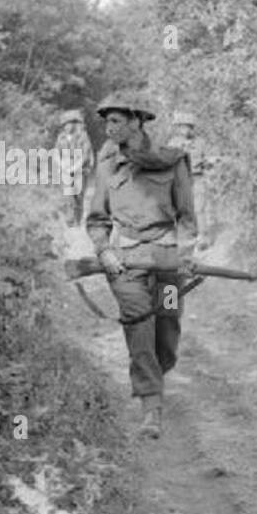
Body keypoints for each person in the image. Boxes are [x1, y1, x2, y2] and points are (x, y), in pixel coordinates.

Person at [85, 90, 197, 440]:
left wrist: (187, 253)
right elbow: (97, 218)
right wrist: (104, 251)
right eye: (107, 121)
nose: (109, 127)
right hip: (126, 265)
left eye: (117, 120)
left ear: (137, 121)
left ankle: (155, 378)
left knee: (167, 329)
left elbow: (187, 216)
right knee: (138, 326)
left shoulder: (173, 161)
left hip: (166, 261)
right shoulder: (107, 165)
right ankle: (151, 409)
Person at [165, 112, 213, 251]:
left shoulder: (200, 142)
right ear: (178, 128)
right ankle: (188, 237)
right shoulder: (172, 143)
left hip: (198, 178)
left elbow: (207, 159)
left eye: (188, 127)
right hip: (181, 181)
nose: (185, 130)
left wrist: (209, 162)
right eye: (182, 127)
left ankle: (203, 238)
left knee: (200, 209)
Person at [55, 110, 95, 228]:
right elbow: (56, 153)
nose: (67, 126)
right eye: (65, 124)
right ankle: (70, 220)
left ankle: (78, 219)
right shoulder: (61, 137)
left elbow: (85, 155)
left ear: (75, 124)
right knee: (68, 195)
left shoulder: (83, 137)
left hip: (81, 170)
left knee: (79, 196)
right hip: (66, 169)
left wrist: (74, 168)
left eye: (69, 123)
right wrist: (62, 165)